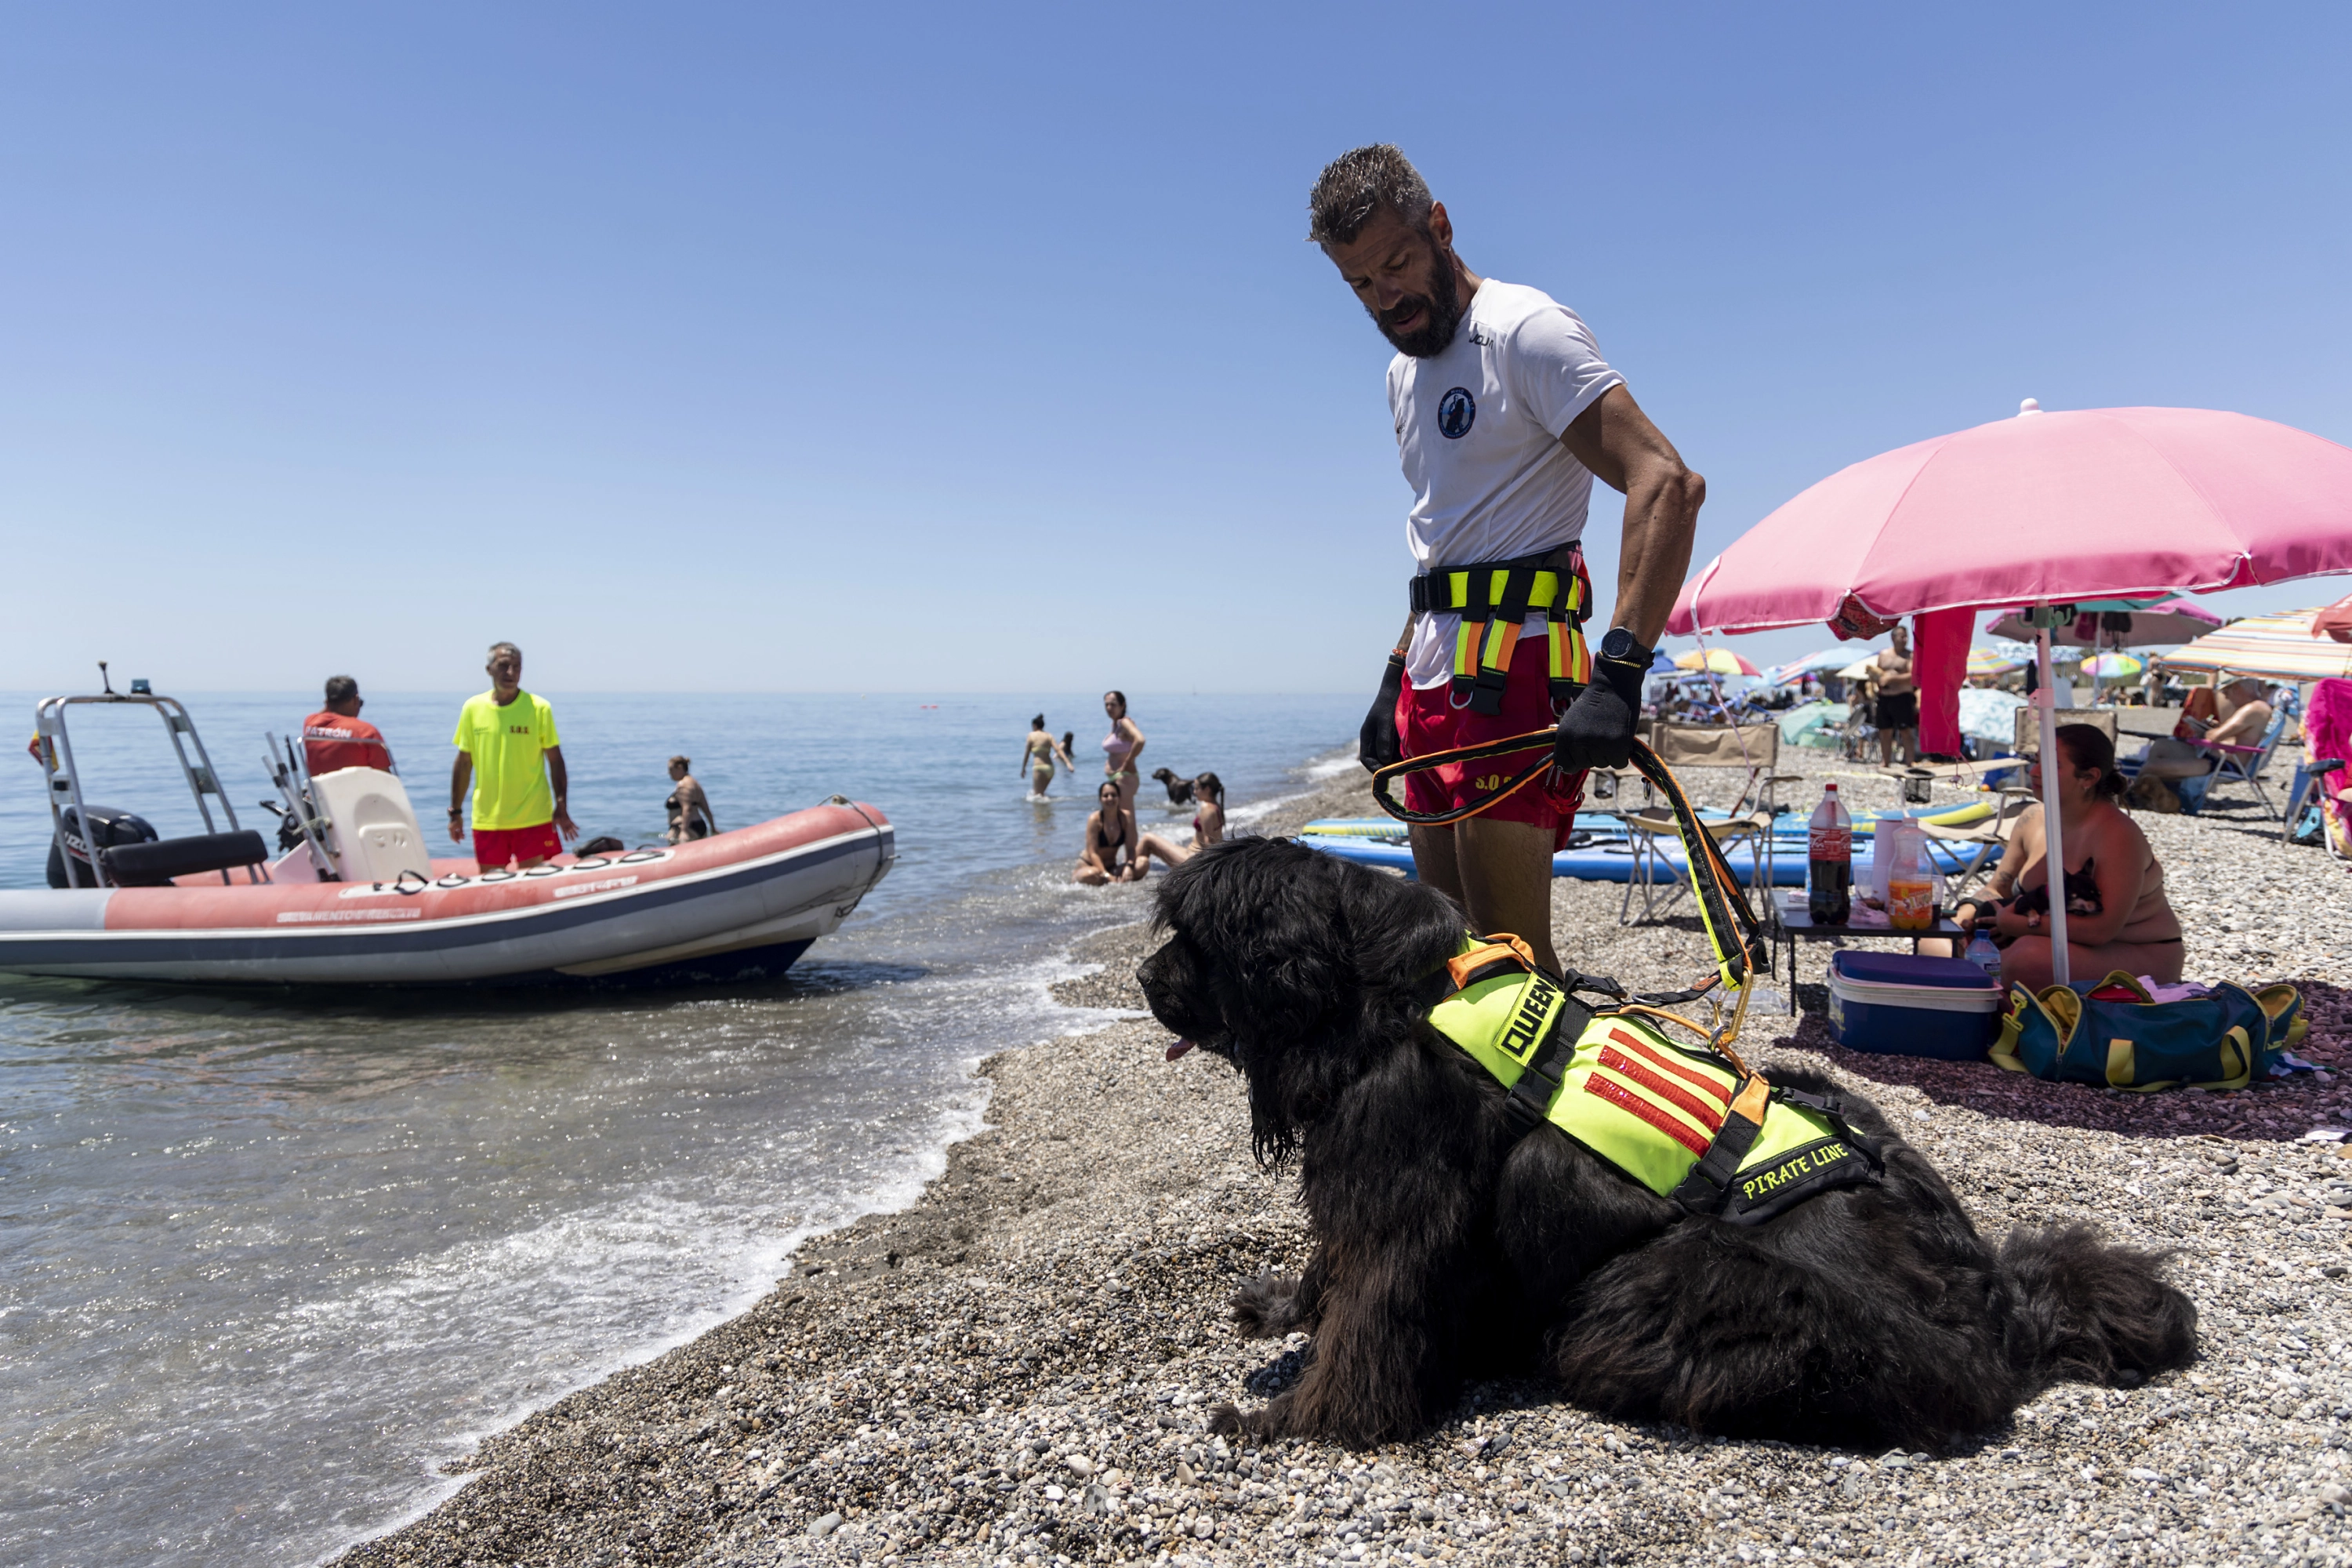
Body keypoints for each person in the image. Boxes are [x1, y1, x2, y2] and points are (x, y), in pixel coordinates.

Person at [1317, 144, 1704, 979]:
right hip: (1431, 673)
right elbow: (1447, 542)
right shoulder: (1401, 374)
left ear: (1440, 227)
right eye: (1361, 284)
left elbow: (1666, 483)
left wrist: (1621, 674)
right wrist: (1393, 676)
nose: (1388, 297)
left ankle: (1548, 1105)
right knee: (1448, 951)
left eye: (1398, 263)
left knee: (1511, 961)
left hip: (1518, 664)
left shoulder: (1523, 330)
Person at [1940, 724, 2183, 989]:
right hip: (2046, 940)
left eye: (2051, 765)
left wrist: (2019, 925)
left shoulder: (2116, 835)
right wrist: (1965, 914)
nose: (2034, 771)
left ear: (2088, 778)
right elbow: (1997, 887)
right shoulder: (2033, 819)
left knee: (2026, 959)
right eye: (2035, 760)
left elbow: (2101, 930)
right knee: (1938, 942)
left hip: (2134, 950)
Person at [448, 642, 578, 870]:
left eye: (517, 667)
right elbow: (464, 763)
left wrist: (561, 805)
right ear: (489, 669)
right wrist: (456, 812)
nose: (511, 673)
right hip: (488, 819)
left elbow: (555, 761)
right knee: (490, 886)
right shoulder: (472, 708)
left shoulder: (539, 708)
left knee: (532, 886)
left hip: (533, 817)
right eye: (504, 666)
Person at [2137, 676, 2274, 788]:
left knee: (2150, 767)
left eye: (2226, 693)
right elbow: (2242, 736)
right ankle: (2155, 790)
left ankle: (2134, 794)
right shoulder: (2259, 708)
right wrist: (2218, 727)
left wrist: (2205, 731)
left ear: (2236, 689)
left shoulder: (2252, 709)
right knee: (2162, 745)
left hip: (2223, 765)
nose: (2227, 698)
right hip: (2222, 758)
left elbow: (2214, 738)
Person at [1072, 779, 1192, 885]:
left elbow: (1130, 848)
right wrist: (1106, 875)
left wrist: (1128, 867)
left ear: (1119, 798)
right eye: (1106, 795)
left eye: (1113, 795)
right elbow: (1093, 853)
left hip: (1112, 867)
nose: (1110, 798)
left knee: (1143, 864)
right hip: (1090, 866)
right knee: (1092, 874)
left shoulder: (1125, 817)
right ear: (1100, 799)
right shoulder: (1095, 819)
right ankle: (1093, 878)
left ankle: (1109, 879)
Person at [301, 676, 394, 776]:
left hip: (319, 791)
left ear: (327, 703)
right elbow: (385, 777)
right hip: (358, 791)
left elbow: (323, 714)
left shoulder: (310, 722)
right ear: (355, 700)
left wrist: (330, 703)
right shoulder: (366, 731)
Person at [1873, 625, 1918, 764]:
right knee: (1885, 731)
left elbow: (1913, 676)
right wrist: (1875, 682)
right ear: (1893, 638)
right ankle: (1885, 761)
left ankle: (1909, 761)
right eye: (1902, 636)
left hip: (1902, 696)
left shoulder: (1909, 656)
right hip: (1884, 697)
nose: (1905, 640)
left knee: (1905, 731)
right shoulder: (1884, 654)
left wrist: (1892, 679)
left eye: (1906, 637)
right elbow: (1877, 672)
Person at [1101, 691, 1145, 812]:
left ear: (1123, 705)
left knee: (1126, 817)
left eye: (1113, 704)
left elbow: (1140, 740)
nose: (1109, 708)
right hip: (1117, 777)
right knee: (1118, 818)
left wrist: (1127, 762)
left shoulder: (1125, 722)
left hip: (1124, 777)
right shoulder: (1115, 725)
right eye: (1107, 705)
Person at [666, 756, 715, 843]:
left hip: (685, 827)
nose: (669, 773)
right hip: (700, 826)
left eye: (671, 769)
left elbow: (687, 808)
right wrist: (713, 828)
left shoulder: (683, 785)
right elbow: (706, 809)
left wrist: (684, 831)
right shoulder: (695, 783)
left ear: (680, 768)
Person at [1021, 715, 1073, 799]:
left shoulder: (1031, 735)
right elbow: (1058, 750)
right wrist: (1068, 763)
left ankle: (1041, 812)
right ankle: (1047, 811)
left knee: (1037, 797)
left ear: (1034, 725)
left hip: (1039, 768)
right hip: (1050, 769)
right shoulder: (1049, 736)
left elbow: (1027, 754)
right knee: (1041, 795)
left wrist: (1023, 768)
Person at [1187, 772, 1226, 850]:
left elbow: (1207, 841)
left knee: (1155, 840)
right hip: (1201, 854)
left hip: (1195, 856)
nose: (1194, 792)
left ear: (1207, 789)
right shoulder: (1216, 806)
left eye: (1197, 788)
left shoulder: (1206, 808)